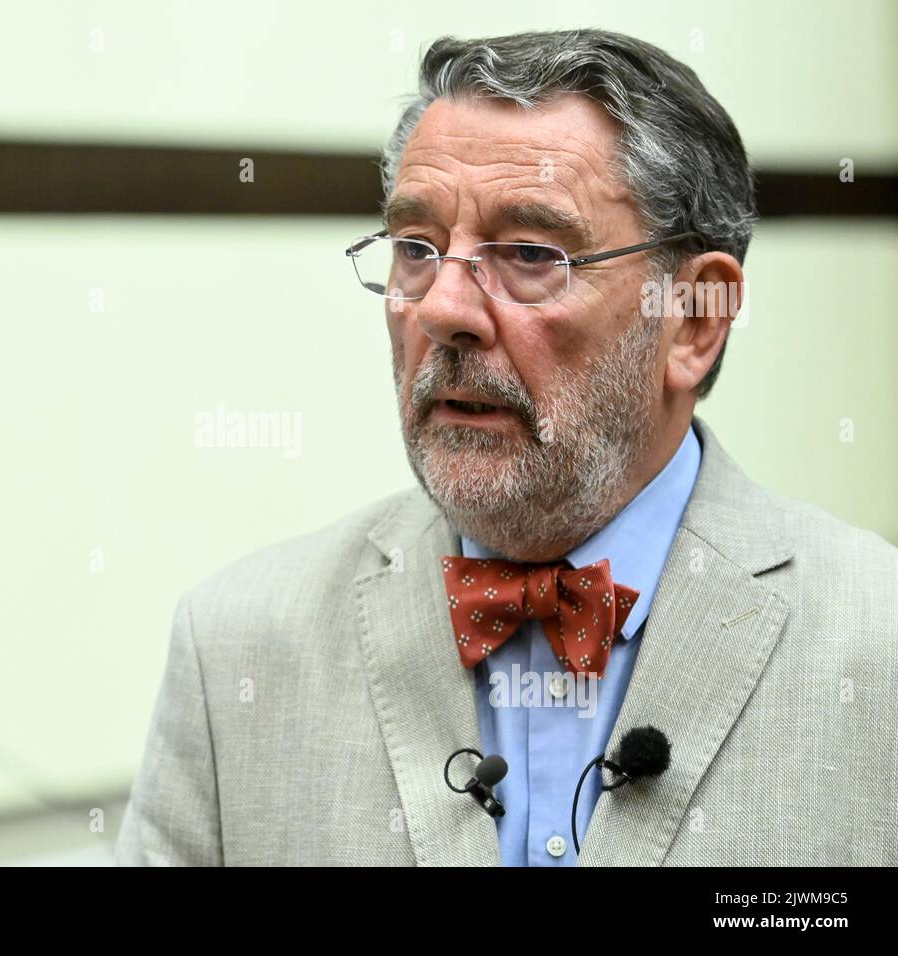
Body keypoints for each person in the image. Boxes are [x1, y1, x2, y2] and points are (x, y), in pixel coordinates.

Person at [114, 28, 898, 866]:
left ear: (695, 319)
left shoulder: (876, 645)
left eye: (530, 254)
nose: (443, 306)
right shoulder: (235, 647)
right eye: (416, 248)